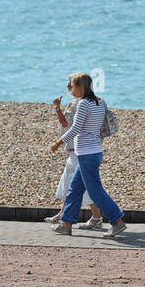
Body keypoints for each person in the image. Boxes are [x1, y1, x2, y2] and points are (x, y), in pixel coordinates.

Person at [50, 72, 127, 237]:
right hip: (94, 151)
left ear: (80, 86)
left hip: (86, 153)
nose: (71, 90)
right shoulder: (101, 102)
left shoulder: (84, 104)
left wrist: (58, 143)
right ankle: (66, 224)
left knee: (96, 192)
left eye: (72, 85)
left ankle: (117, 221)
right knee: (75, 190)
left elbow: (75, 129)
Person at [44, 77, 105, 228]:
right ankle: (63, 216)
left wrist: (57, 108)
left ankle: (98, 218)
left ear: (79, 87)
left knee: (81, 186)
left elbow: (67, 124)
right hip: (87, 149)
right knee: (69, 183)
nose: (68, 88)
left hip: (78, 150)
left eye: (70, 85)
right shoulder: (98, 101)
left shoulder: (79, 103)